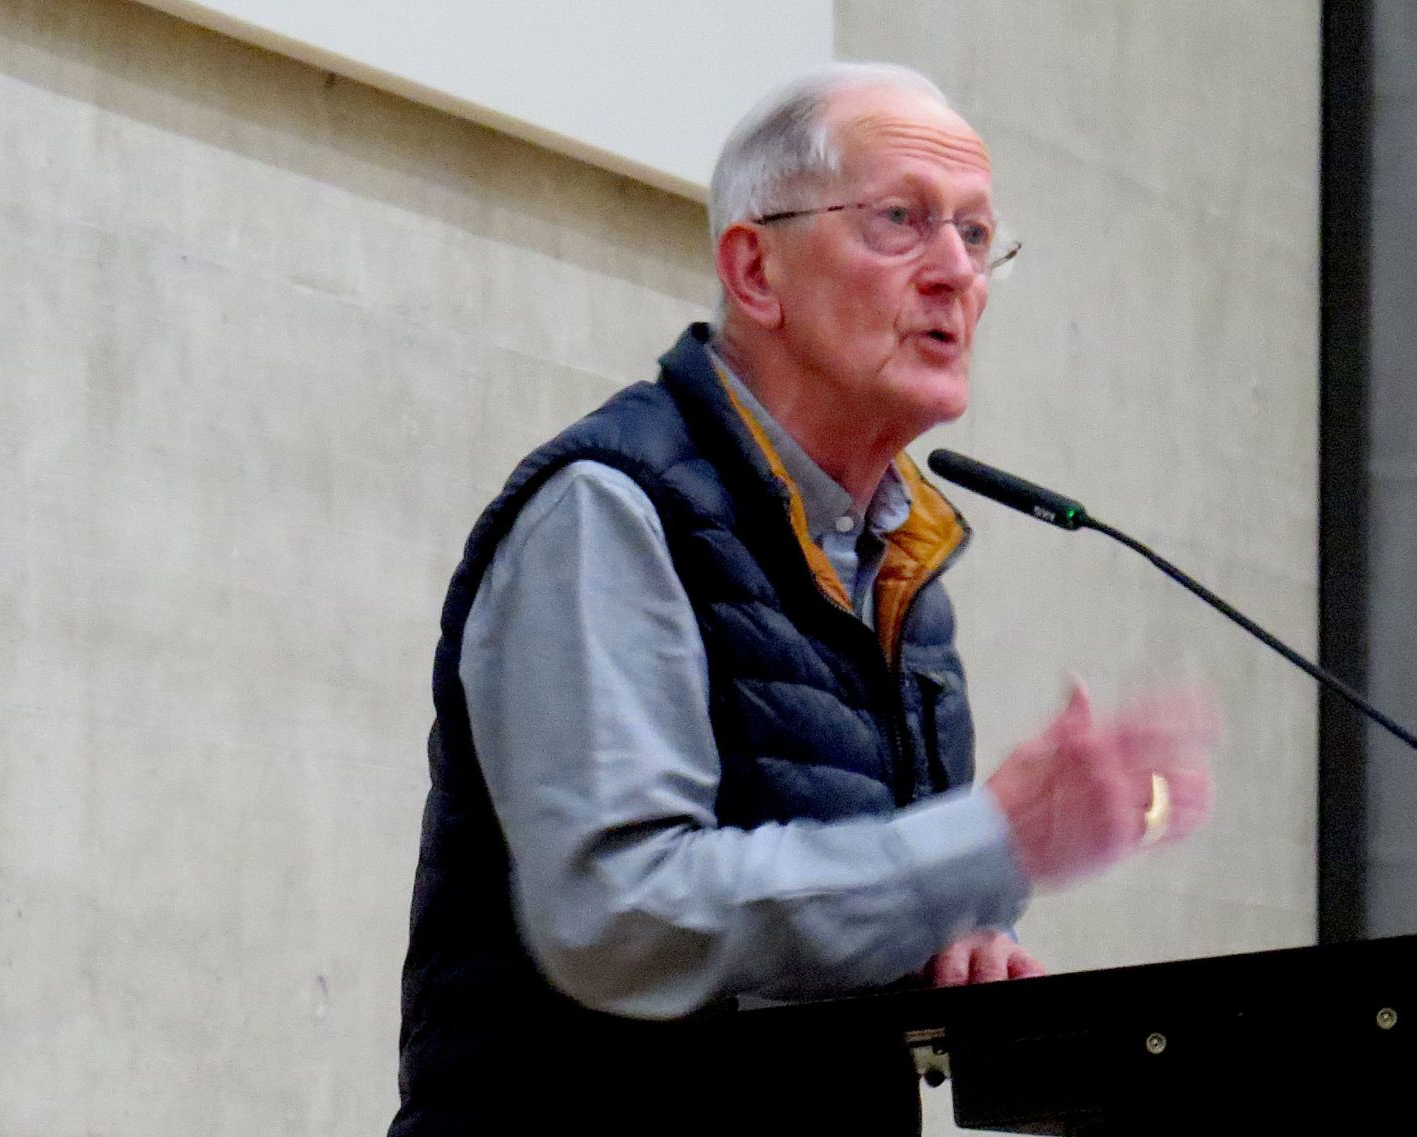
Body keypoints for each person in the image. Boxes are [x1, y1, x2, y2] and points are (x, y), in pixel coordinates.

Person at [387, 62, 1215, 1135]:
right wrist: (986, 841)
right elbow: (624, 918)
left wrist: (947, 952)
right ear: (755, 269)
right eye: (901, 221)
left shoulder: (903, 572)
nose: (953, 273)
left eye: (975, 237)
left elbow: (821, 923)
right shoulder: (611, 513)